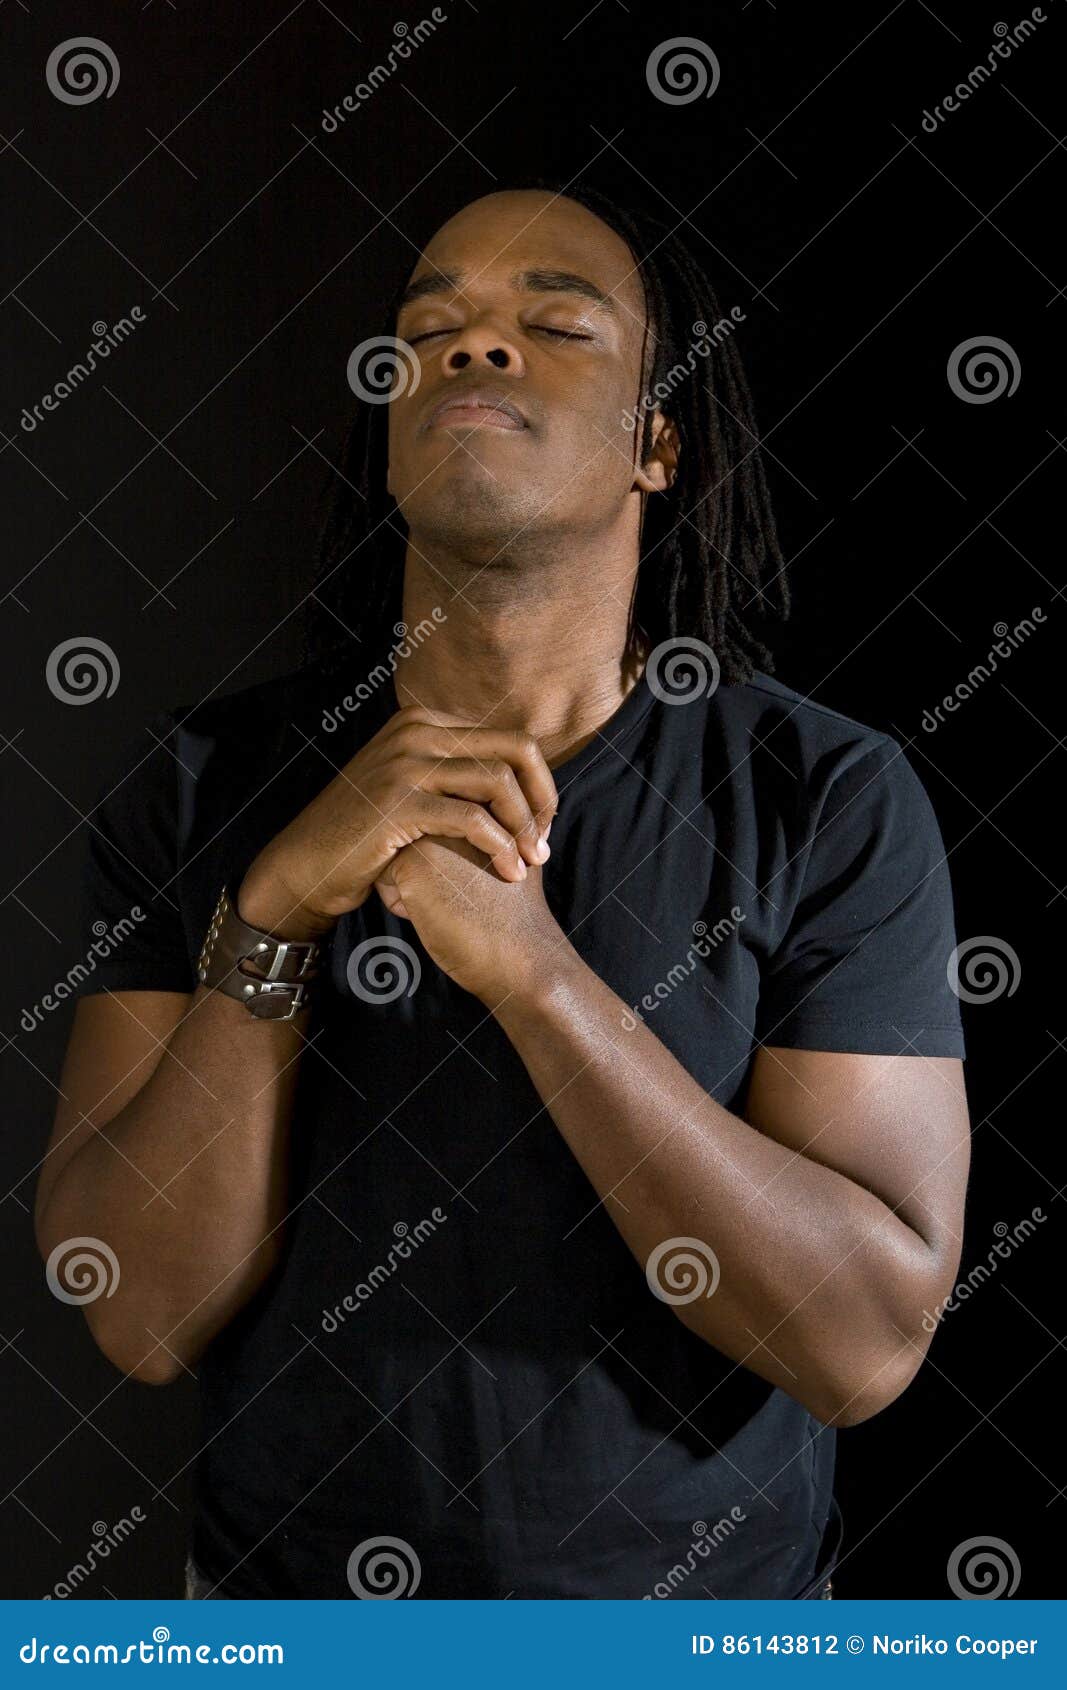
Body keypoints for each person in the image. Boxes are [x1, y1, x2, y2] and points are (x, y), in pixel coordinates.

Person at [34, 182, 970, 1601]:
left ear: (661, 441)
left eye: (555, 324)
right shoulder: (204, 787)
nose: (475, 347)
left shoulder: (824, 796)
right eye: (434, 328)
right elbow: (142, 1312)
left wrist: (535, 976)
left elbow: (862, 1344)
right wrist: (273, 913)